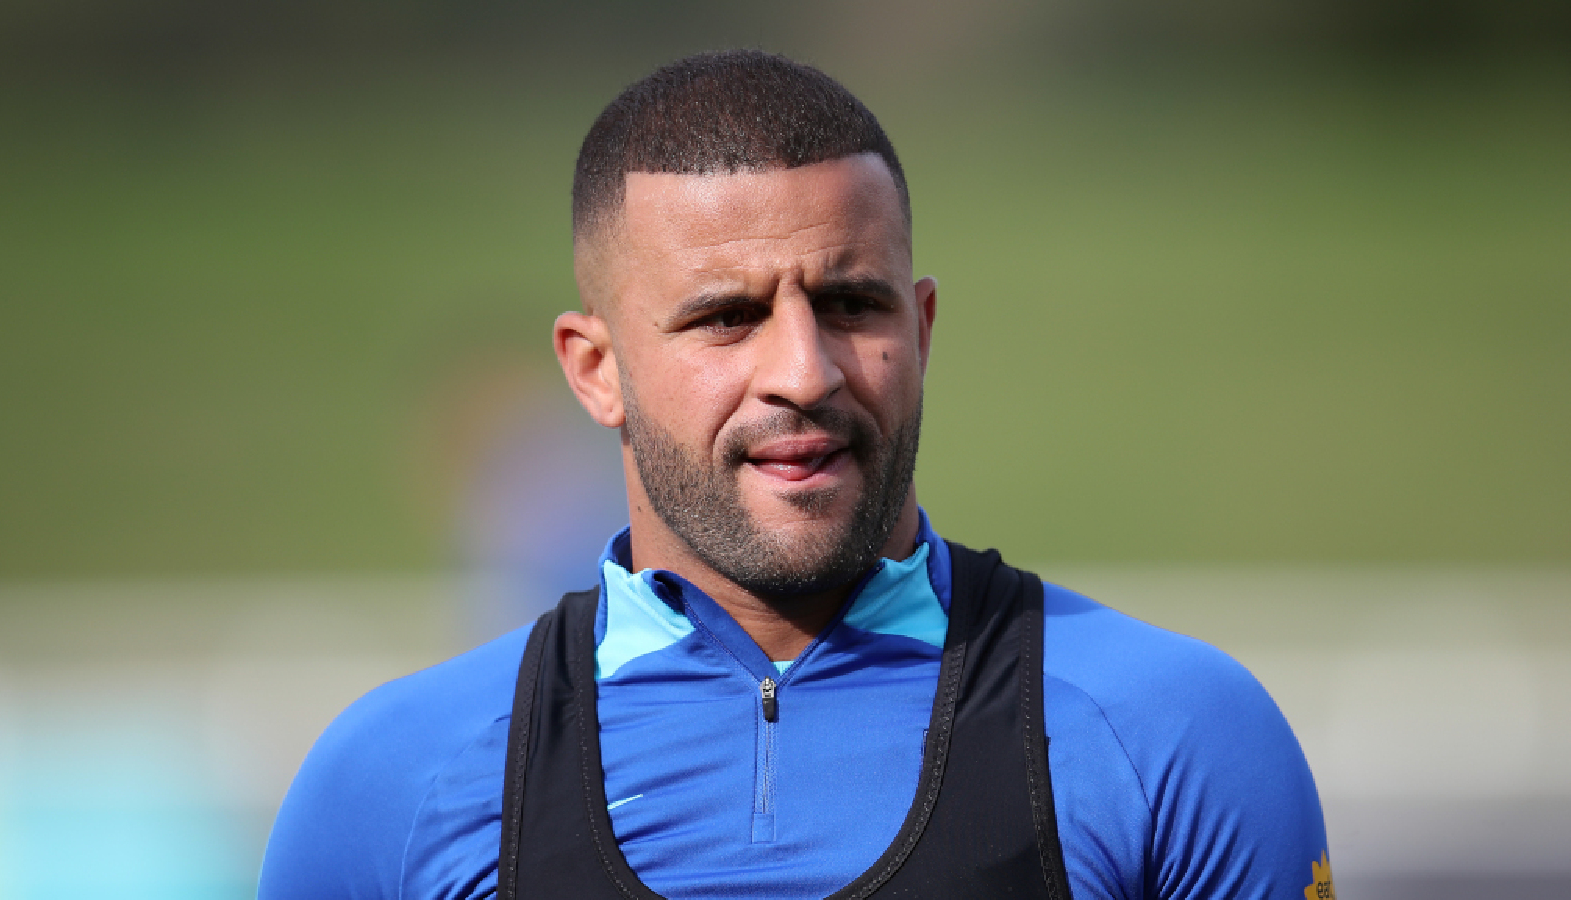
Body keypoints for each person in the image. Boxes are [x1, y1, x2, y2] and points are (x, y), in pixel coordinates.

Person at [260, 50, 1331, 900]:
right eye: (726, 318)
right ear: (595, 370)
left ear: (921, 328)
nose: (805, 373)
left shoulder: (1173, 740)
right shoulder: (397, 785)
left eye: (851, 305)